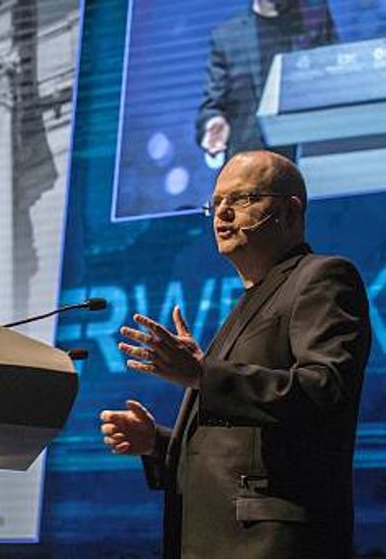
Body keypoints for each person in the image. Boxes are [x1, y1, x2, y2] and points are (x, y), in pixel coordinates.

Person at [100, 150, 371, 558]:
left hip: (270, 544)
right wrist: (156, 444)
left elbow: (323, 389)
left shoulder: (323, 277)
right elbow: (240, 446)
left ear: (290, 212)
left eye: (241, 199)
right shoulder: (251, 299)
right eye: (216, 203)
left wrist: (204, 375)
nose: (222, 213)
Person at [197, 0, 338, 164]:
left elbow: (338, 77)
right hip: (252, 168)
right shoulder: (228, 38)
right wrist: (213, 124)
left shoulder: (316, 15)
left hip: (307, 160)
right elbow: (212, 106)